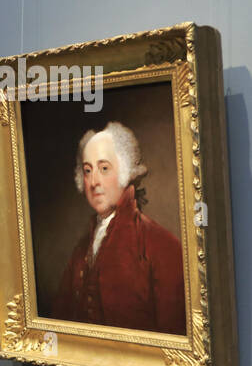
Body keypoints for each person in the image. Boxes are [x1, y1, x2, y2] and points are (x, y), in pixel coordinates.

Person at [51, 121, 185, 334]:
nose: (94, 181)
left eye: (104, 169)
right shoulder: (81, 249)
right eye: (87, 170)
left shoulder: (162, 246)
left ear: (126, 171)